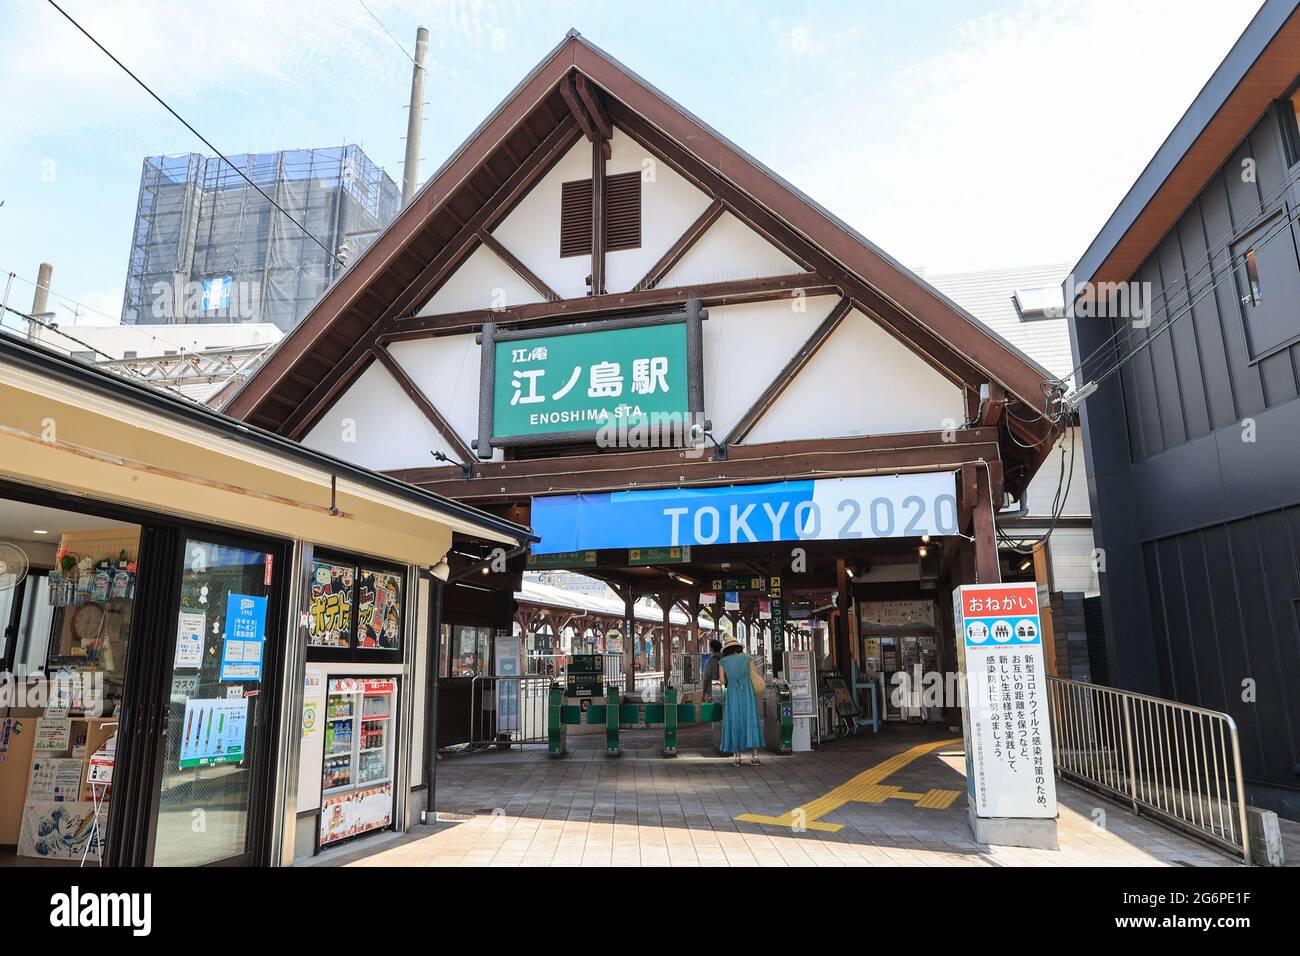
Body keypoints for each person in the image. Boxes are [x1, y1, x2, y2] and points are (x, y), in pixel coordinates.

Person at [718, 635, 764, 766]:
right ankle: (755, 756)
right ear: (738, 647)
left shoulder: (723, 662)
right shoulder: (747, 657)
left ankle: (737, 757)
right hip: (747, 692)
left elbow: (722, 681)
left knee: (735, 720)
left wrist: (731, 679)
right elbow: (754, 673)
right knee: (750, 718)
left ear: (726, 649)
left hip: (733, 692)